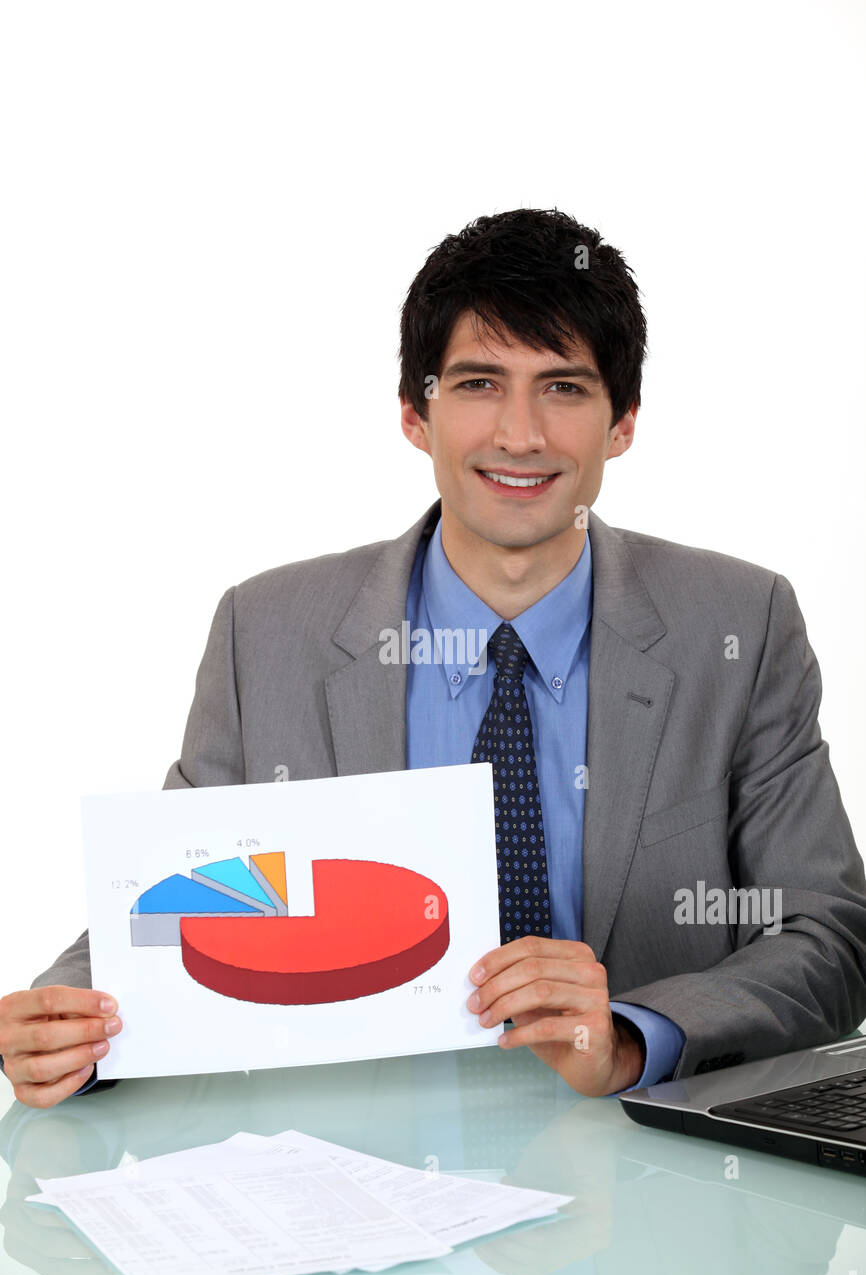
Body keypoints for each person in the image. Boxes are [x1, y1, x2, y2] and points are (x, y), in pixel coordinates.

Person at [3, 207, 865, 1111]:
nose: (521, 435)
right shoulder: (267, 632)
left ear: (625, 422)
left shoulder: (739, 624)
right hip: (360, 1165)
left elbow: (832, 936)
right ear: (417, 415)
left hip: (641, 1170)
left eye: (565, 388)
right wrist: (67, 1026)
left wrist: (631, 1035)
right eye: (480, 384)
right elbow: (188, 894)